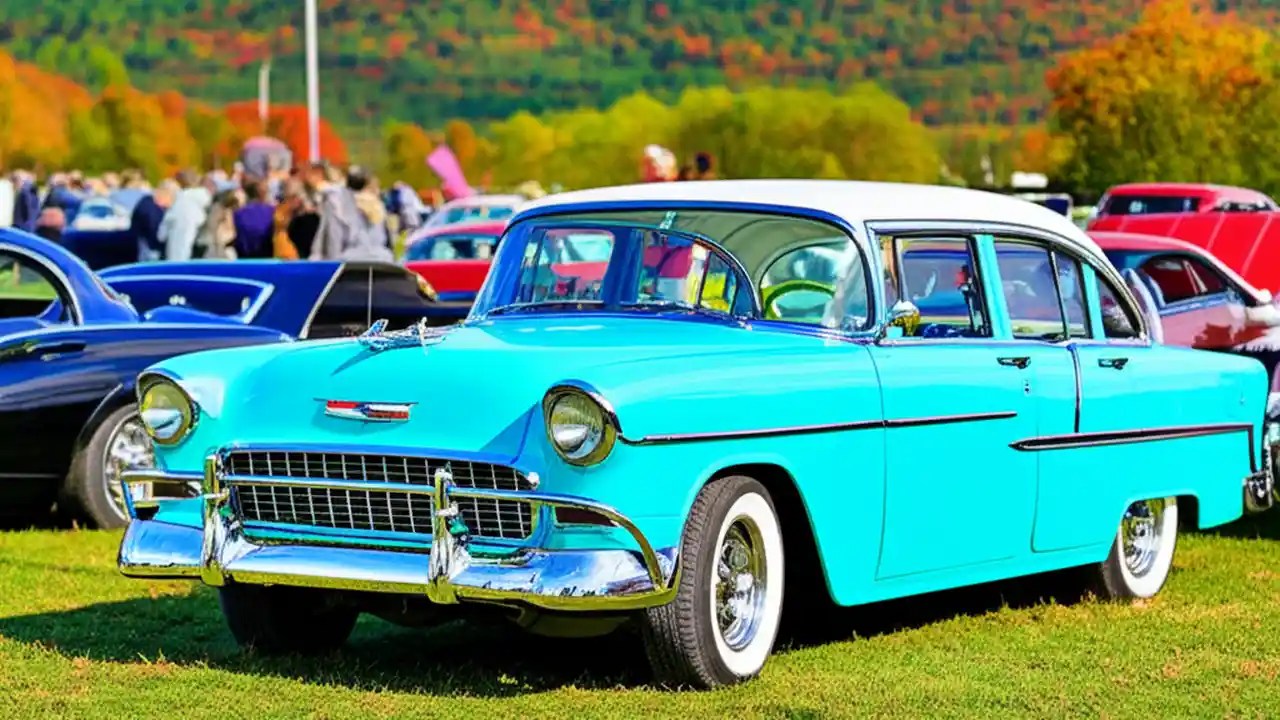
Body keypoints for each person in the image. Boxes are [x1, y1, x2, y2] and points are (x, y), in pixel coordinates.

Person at [309, 165, 393, 261]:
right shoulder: (376, 206)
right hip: (377, 262)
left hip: (350, 263)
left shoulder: (337, 203)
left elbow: (333, 243)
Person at [158, 170, 212, 260]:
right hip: (202, 254)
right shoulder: (205, 201)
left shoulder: (180, 204)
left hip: (178, 256)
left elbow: (161, 235)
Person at [131, 180, 176, 262]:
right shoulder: (149, 208)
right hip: (151, 249)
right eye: (173, 197)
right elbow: (154, 231)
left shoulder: (147, 203)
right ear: (165, 194)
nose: (173, 201)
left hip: (147, 247)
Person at [232, 177, 276, 259]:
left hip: (245, 258)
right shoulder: (273, 211)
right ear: (262, 194)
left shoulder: (237, 213)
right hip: (267, 258)